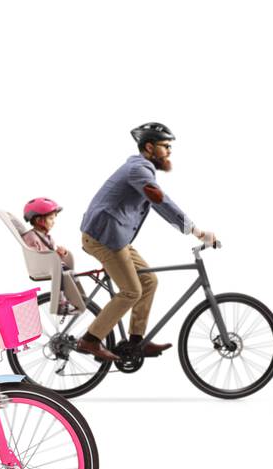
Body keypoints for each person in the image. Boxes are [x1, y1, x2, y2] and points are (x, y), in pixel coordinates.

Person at [77, 122, 217, 361]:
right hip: (104, 237)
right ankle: (90, 340)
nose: (169, 151)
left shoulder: (142, 170)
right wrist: (195, 231)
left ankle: (135, 343)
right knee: (131, 291)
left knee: (149, 280)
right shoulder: (139, 171)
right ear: (149, 147)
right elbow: (161, 202)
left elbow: (156, 203)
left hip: (116, 236)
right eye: (165, 146)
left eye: (170, 146)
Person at [22, 197, 81, 313]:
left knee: (69, 273)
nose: (53, 221)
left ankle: (71, 298)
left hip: (51, 263)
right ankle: (61, 302)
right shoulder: (31, 236)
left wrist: (62, 253)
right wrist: (52, 255)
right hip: (42, 265)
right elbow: (35, 254)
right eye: (50, 218)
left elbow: (52, 253)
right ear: (40, 220)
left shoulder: (48, 237)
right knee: (63, 272)